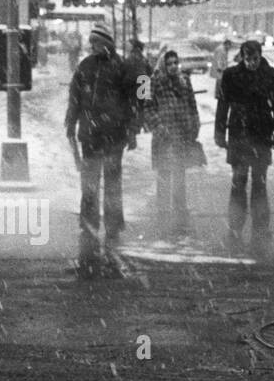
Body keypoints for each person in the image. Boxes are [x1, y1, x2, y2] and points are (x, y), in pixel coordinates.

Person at [65, 23, 141, 278]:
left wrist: (134, 128)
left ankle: (112, 225)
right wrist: (70, 122)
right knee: (89, 184)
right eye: (91, 42)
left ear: (106, 43)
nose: (92, 45)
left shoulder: (123, 67)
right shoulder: (86, 66)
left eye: (96, 41)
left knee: (111, 184)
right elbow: (74, 97)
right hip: (91, 136)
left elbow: (138, 95)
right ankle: (89, 224)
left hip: (113, 137)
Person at [213, 38, 274, 252]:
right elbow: (222, 104)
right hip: (239, 133)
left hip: (262, 134)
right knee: (238, 183)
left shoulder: (271, 76)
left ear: (260, 56)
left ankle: (260, 229)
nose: (251, 63)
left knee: (260, 184)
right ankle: (235, 228)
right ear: (242, 57)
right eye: (248, 59)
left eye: (254, 59)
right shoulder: (231, 76)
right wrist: (219, 132)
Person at [143, 48, 201, 239]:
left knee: (180, 175)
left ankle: (180, 211)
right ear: (163, 65)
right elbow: (147, 109)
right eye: (170, 63)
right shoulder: (153, 81)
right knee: (164, 175)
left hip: (182, 136)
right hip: (164, 138)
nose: (174, 66)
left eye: (176, 63)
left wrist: (194, 126)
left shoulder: (185, 81)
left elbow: (192, 105)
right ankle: (163, 213)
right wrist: (160, 128)